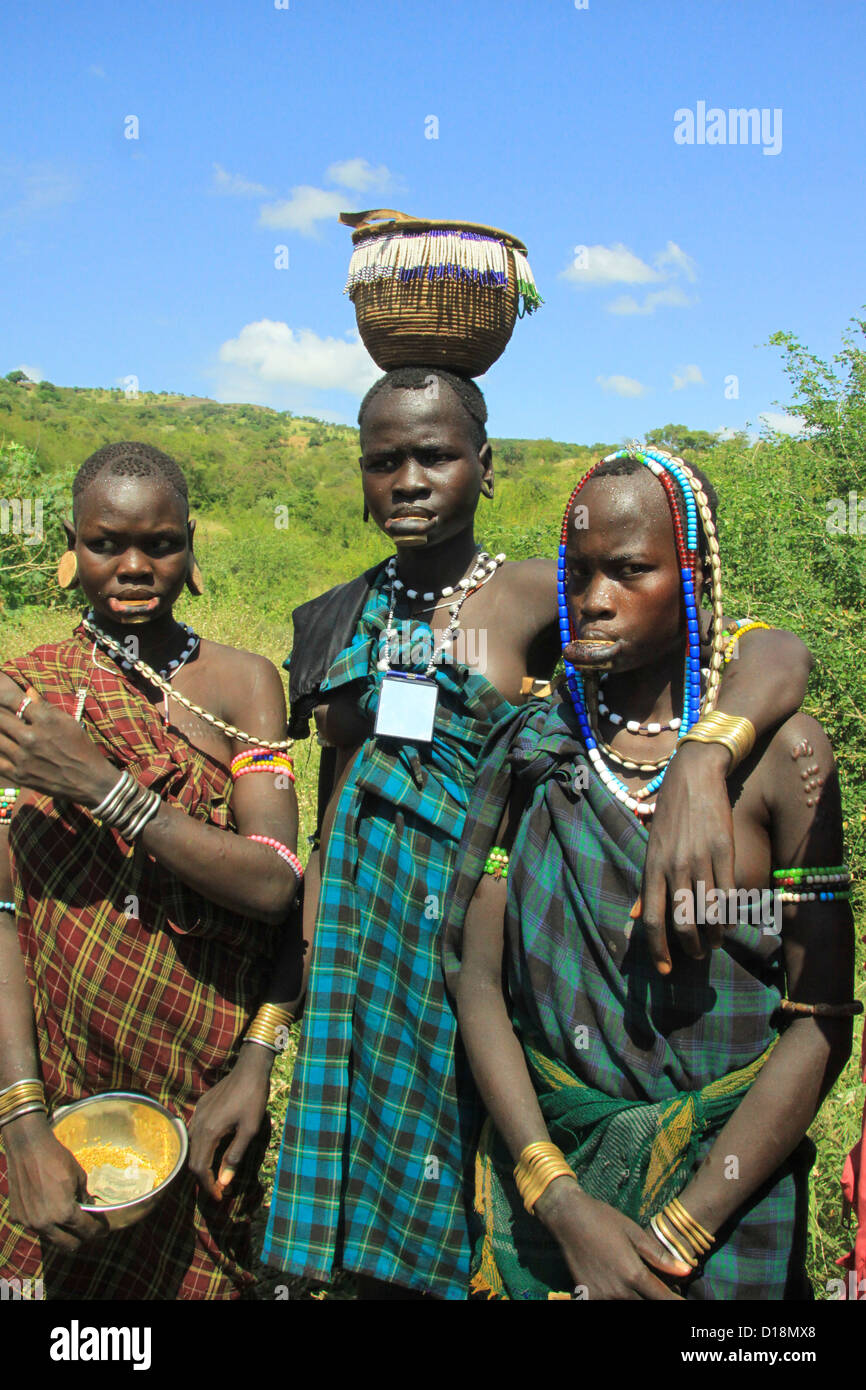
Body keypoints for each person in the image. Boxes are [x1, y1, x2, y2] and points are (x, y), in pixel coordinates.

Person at [198, 370, 812, 1300]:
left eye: (435, 456)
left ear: (485, 469)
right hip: (370, 958)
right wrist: (275, 1019)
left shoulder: (537, 598)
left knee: (469, 1211)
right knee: (365, 1217)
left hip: (493, 943)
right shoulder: (329, 619)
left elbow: (748, 641)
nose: (407, 479)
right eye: (382, 461)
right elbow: (337, 807)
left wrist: (707, 753)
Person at [447, 448, 856, 1300]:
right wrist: (558, 1200)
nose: (594, 599)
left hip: (730, 1197)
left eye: (630, 571)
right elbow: (475, 975)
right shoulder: (535, 746)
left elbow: (820, 1020)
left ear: (695, 577)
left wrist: (685, 1228)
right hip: (550, 1185)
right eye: (579, 572)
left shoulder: (784, 756)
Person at [0, 442, 301, 1299]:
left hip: (203, 1087)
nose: (134, 567)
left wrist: (99, 784)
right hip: (54, 1082)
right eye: (105, 544)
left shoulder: (243, 686)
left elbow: (274, 883)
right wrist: (22, 1127)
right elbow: (2, 913)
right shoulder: (23, 694)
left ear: (191, 544)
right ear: (71, 544)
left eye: (161, 544)